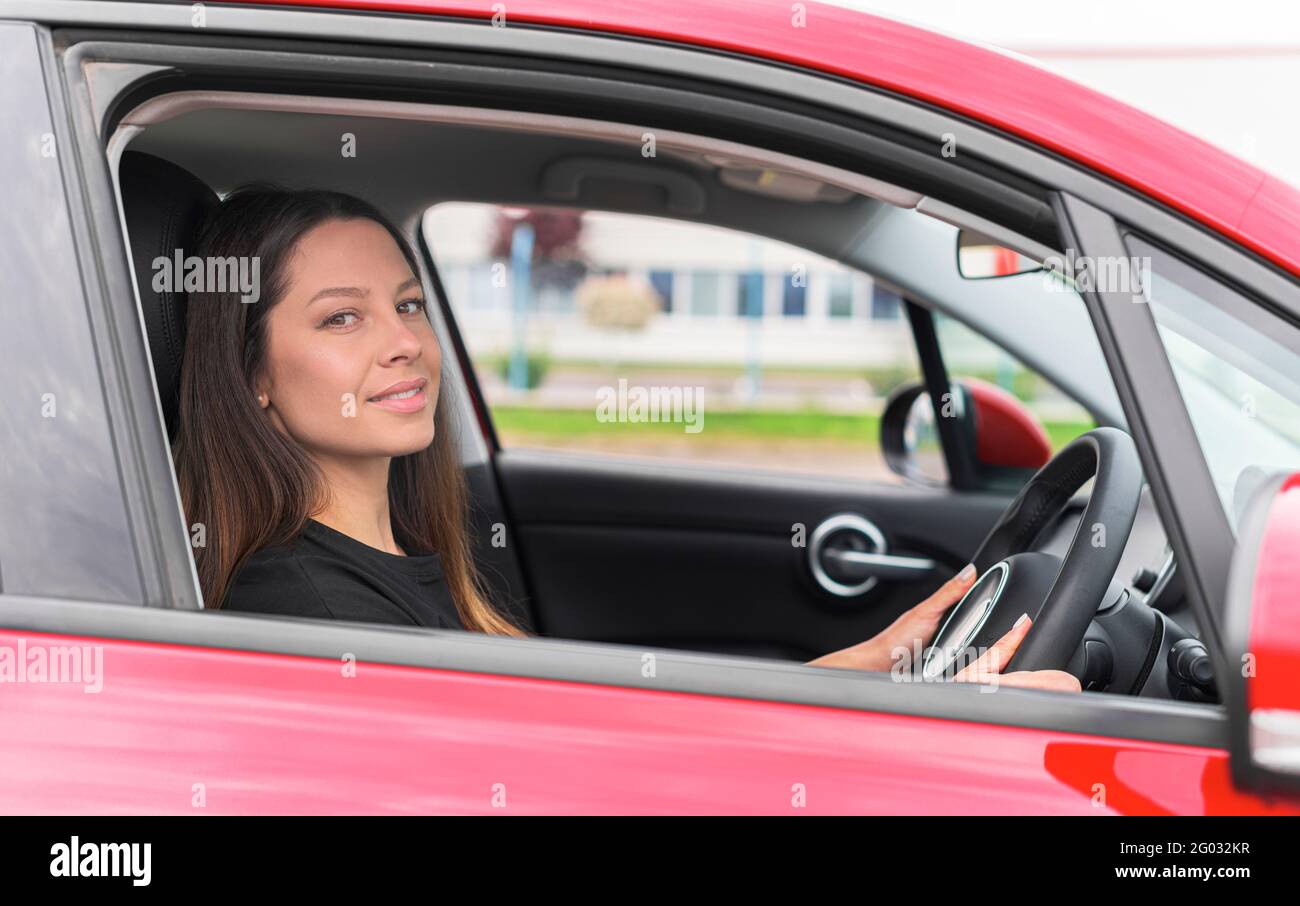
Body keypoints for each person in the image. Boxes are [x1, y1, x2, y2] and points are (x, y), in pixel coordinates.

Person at [173, 184, 1080, 692]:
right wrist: (943, 722)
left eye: (409, 304)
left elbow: (600, 742)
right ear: (253, 377)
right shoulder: (304, 612)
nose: (406, 340)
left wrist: (870, 668)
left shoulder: (409, 559)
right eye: (343, 321)